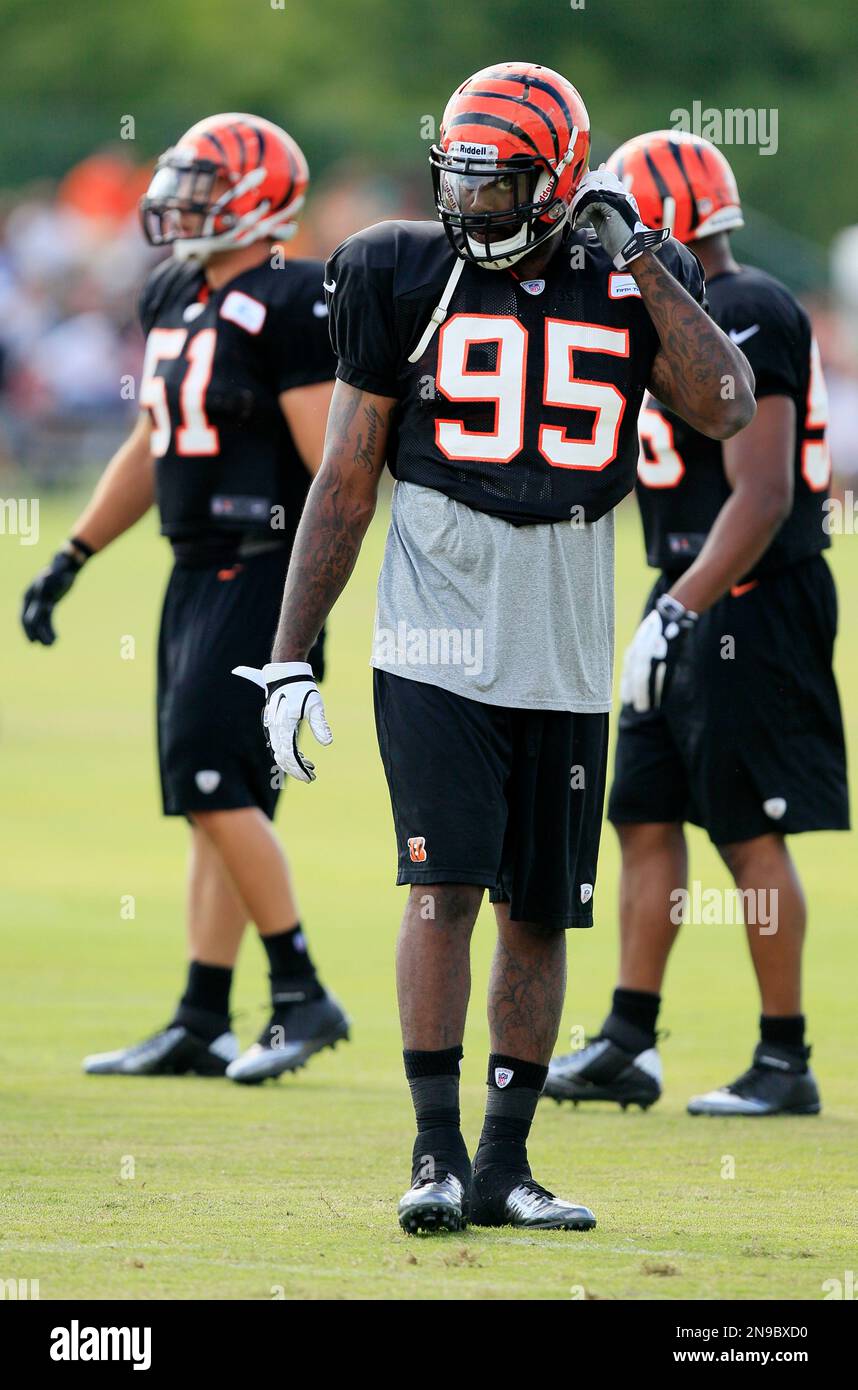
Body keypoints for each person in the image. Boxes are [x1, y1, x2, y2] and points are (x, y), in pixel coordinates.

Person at [237, 67, 754, 1232]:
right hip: (436, 623)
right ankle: (431, 1154)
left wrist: (639, 262)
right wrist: (290, 649)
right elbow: (347, 473)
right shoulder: (394, 267)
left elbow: (725, 404)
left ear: (560, 181)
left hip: (564, 625)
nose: (472, 198)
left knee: (539, 907)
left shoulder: (622, 272)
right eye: (461, 173)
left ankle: (503, 1166)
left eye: (501, 177)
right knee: (443, 885)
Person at [21, 113, 348, 1084]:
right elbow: (152, 438)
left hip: (264, 567)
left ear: (256, 200)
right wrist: (74, 552)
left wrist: (308, 604)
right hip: (193, 564)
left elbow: (329, 468)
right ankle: (204, 1015)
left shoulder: (294, 301)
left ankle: (301, 991)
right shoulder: (173, 290)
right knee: (217, 797)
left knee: (213, 780)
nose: (179, 203)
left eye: (203, 187)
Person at [545, 131, 849, 1117]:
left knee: (747, 830)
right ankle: (631, 1040)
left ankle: (784, 1058)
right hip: (680, 592)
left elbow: (759, 496)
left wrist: (680, 609)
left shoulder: (748, 304)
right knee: (642, 812)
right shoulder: (656, 309)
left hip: (748, 594)